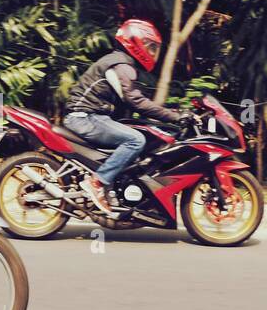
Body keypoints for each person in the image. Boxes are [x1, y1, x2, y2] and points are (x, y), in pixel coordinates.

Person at [63, 18, 187, 214]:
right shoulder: (121, 64)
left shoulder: (120, 62)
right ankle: (97, 182)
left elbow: (135, 101)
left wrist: (171, 110)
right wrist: (174, 116)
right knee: (135, 140)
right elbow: (136, 101)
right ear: (135, 41)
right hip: (84, 117)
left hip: (91, 116)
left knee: (140, 133)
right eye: (150, 46)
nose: (153, 53)